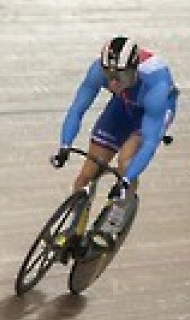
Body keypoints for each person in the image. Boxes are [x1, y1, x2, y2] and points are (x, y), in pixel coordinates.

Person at [51, 36, 178, 248]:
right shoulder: (98, 71)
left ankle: (115, 218)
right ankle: (74, 228)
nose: (113, 82)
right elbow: (77, 109)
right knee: (86, 174)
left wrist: (126, 181)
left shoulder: (157, 84)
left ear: (135, 69)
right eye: (109, 75)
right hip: (124, 104)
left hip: (153, 111)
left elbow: (148, 143)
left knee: (125, 163)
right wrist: (65, 145)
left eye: (120, 75)